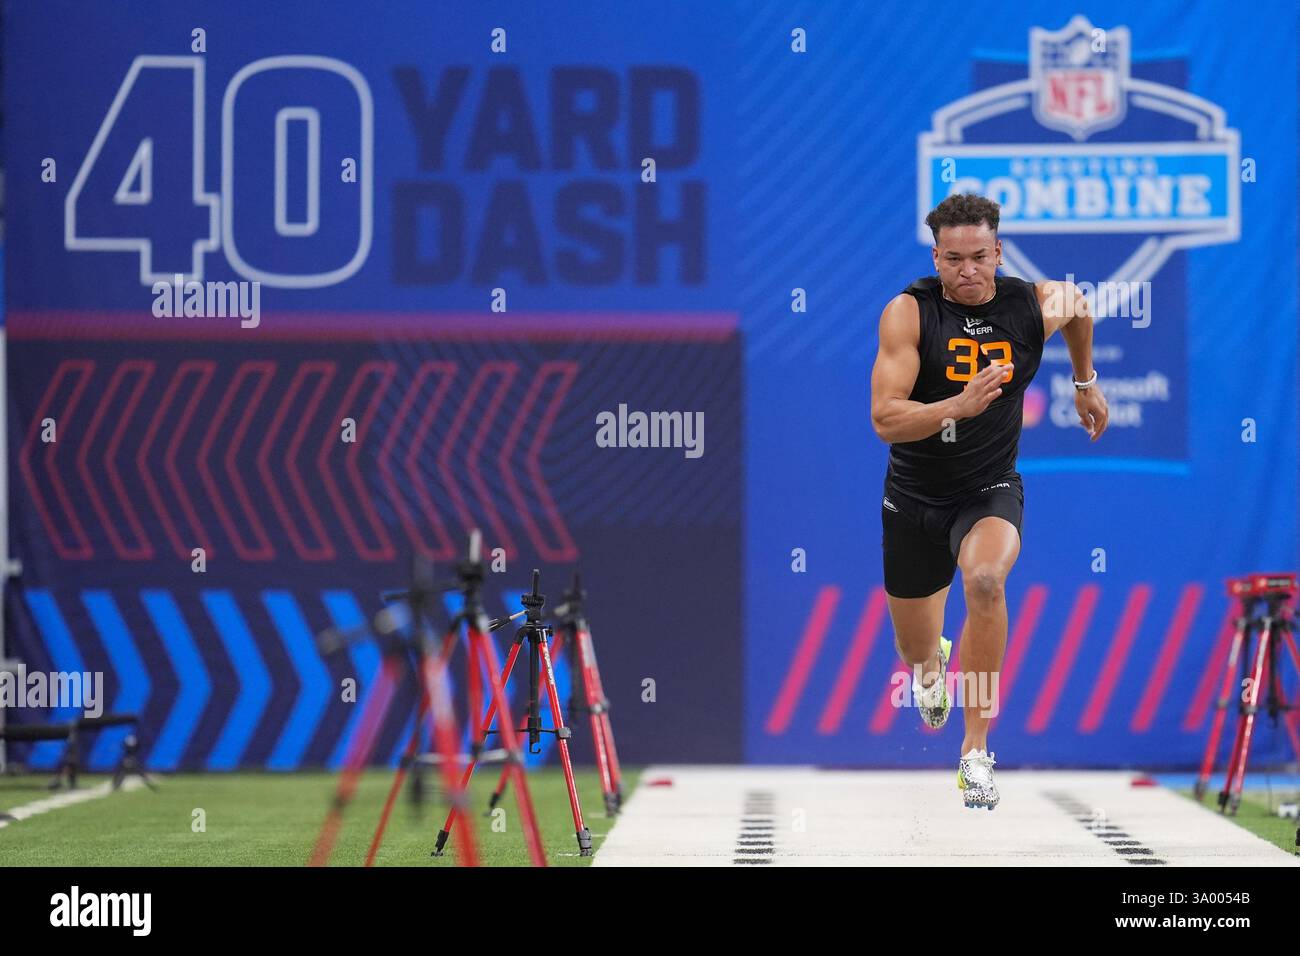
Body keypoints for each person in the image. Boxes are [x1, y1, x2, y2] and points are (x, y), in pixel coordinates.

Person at [869, 193, 1109, 809]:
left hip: (987, 487)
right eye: (954, 259)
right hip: (914, 497)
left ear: (999, 253)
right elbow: (886, 420)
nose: (967, 271)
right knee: (914, 648)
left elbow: (1080, 306)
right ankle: (931, 667)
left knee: (985, 580)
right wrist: (957, 406)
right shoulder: (909, 313)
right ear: (936, 257)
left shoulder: (1030, 304)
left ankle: (975, 751)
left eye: (980, 257)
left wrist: (1085, 382)